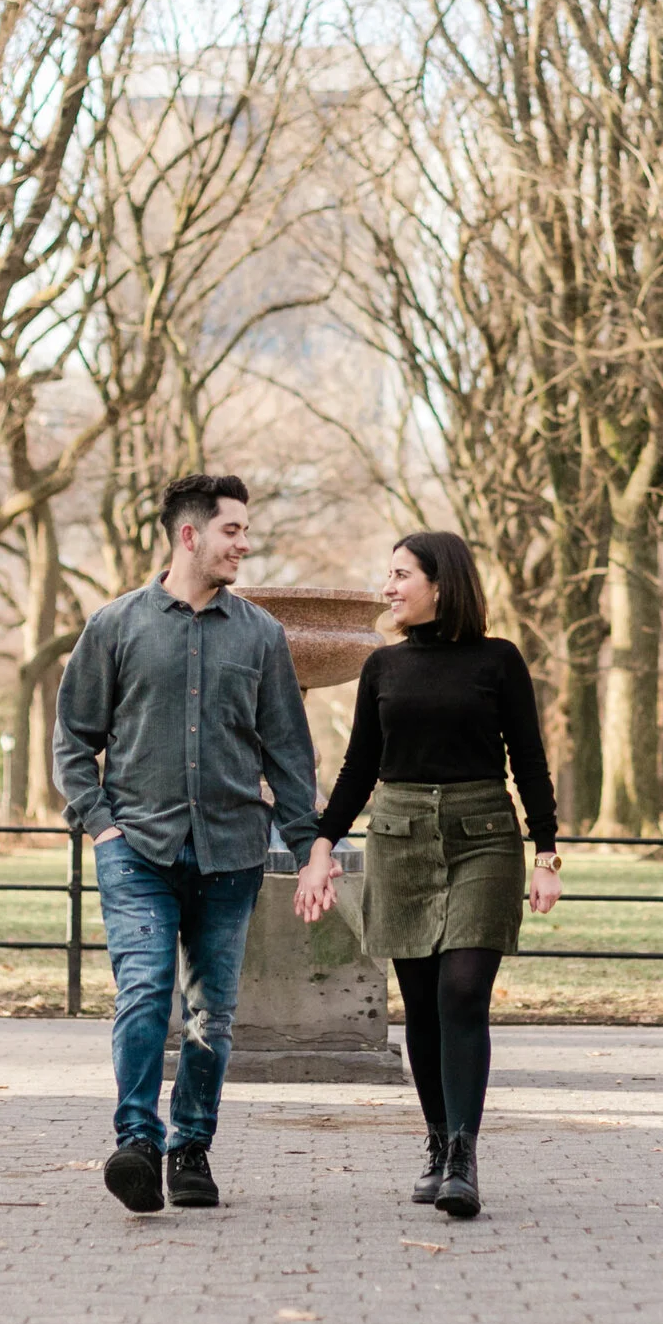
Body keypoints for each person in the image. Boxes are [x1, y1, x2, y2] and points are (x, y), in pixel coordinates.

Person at [54, 473, 319, 1213]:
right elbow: (74, 738)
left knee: (212, 1012)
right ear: (190, 534)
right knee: (144, 992)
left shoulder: (261, 634)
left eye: (246, 529)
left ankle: (191, 1144)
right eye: (233, 529)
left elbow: (290, 754)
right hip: (136, 844)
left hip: (233, 851)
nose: (245, 542)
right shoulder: (115, 625)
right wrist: (98, 821)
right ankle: (137, 1138)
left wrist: (310, 846)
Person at [294, 530, 560, 1219]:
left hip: (482, 837)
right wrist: (323, 842)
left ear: (441, 583)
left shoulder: (499, 662)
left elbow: (529, 762)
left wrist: (547, 853)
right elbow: (358, 768)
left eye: (400, 574)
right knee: (420, 1000)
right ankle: (438, 1141)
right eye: (388, 574)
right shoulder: (383, 667)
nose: (388, 587)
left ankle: (465, 1156)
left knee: (463, 990)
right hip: (399, 835)